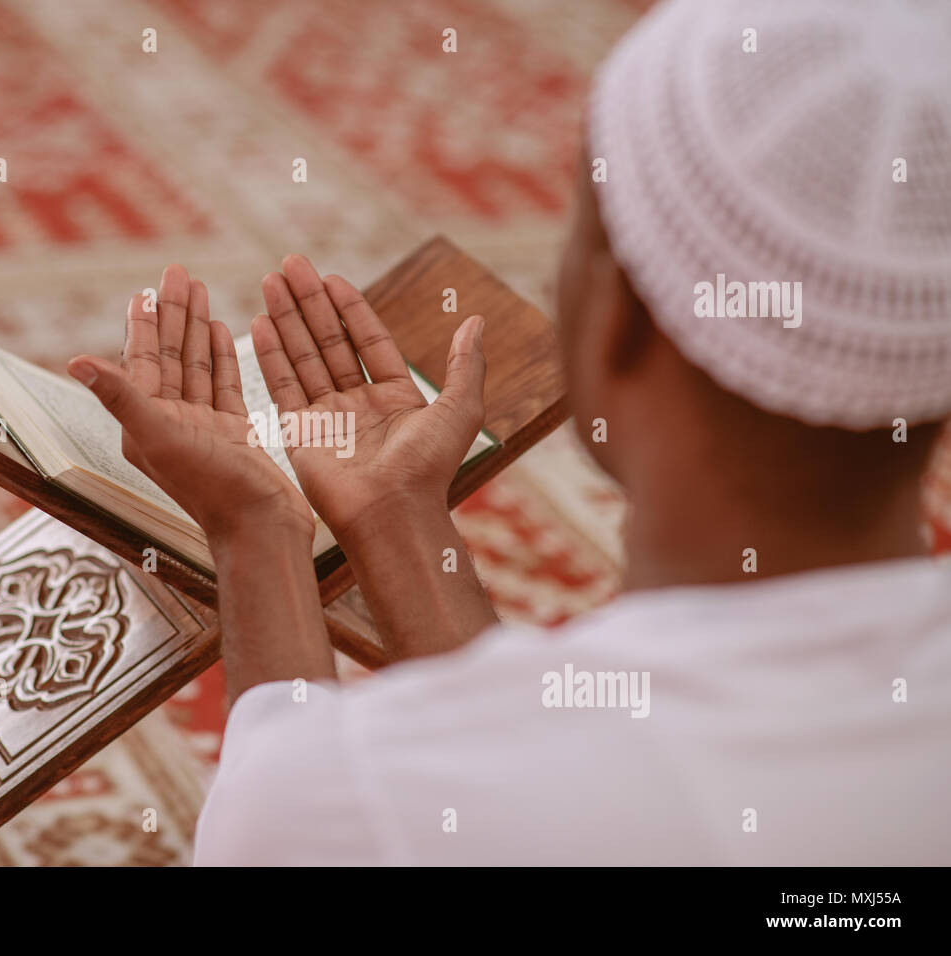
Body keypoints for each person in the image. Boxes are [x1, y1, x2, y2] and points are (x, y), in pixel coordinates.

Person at [66, 0, 951, 865]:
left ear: (615, 321)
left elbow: (340, 800)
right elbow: (544, 767)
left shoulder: (355, 801)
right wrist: (395, 510)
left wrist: (255, 532)